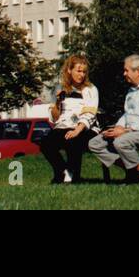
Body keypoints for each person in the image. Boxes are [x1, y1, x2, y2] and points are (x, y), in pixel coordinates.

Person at [88, 54, 139, 184]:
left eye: (127, 70)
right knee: (95, 143)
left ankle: (135, 175)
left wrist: (125, 131)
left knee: (121, 142)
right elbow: (127, 114)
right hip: (133, 131)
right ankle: (137, 171)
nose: (124, 73)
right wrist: (119, 126)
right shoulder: (132, 90)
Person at [39, 55, 101, 185]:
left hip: (85, 127)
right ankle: (61, 171)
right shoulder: (60, 88)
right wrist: (57, 103)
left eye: (84, 71)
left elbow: (90, 114)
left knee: (73, 140)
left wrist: (77, 130)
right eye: (78, 71)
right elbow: (55, 117)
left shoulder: (90, 89)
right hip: (63, 126)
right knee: (46, 143)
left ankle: (73, 176)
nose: (82, 75)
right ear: (69, 70)